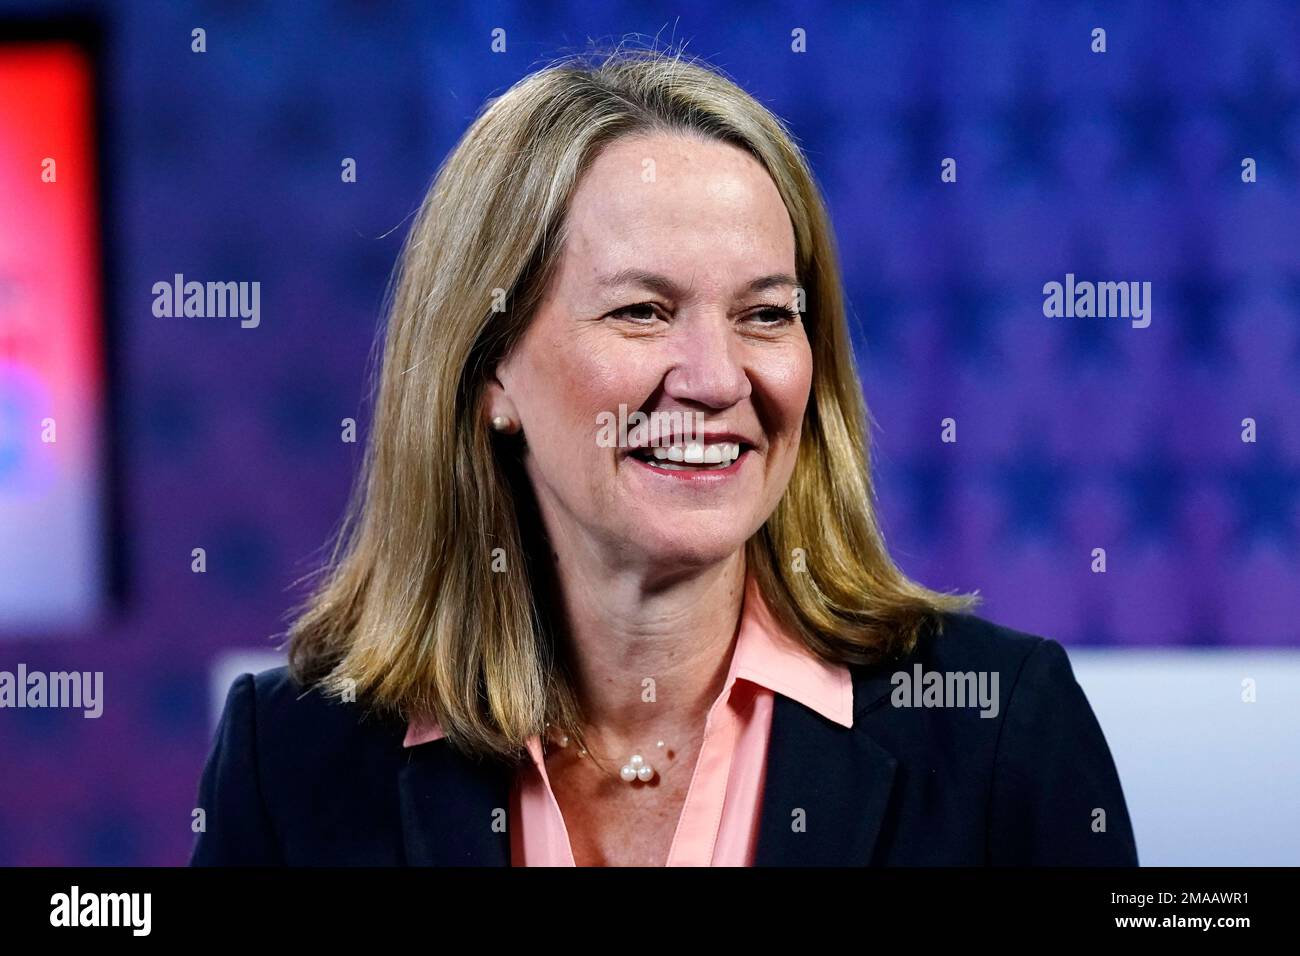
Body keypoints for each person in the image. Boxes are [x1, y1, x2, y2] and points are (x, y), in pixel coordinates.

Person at [190, 47, 1137, 867]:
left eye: (766, 315)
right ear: (489, 374)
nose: (718, 380)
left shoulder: (1000, 728)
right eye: (642, 311)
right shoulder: (293, 755)